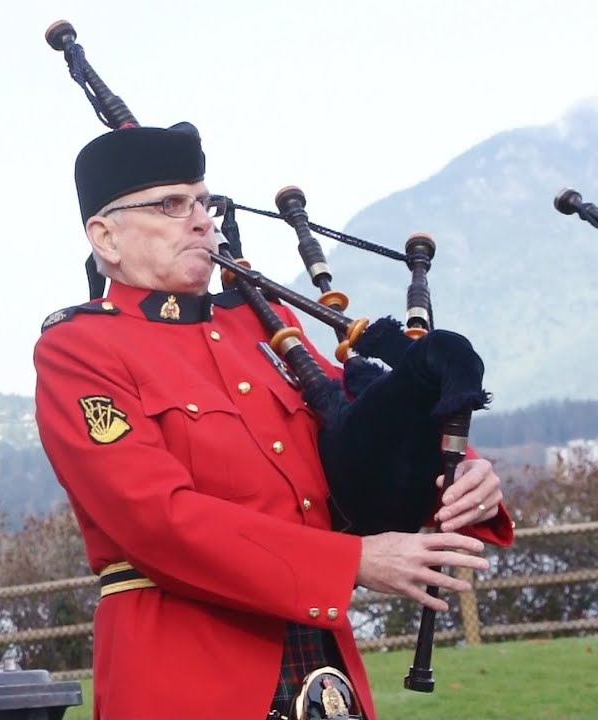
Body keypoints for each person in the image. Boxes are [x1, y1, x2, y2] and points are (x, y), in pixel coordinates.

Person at [32, 123, 516, 719]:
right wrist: (353, 563)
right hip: (185, 670)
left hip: (320, 660)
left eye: (203, 202)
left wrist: (458, 474)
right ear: (106, 236)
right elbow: (157, 521)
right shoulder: (80, 349)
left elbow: (352, 432)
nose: (202, 220)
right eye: (171, 205)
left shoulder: (260, 322)